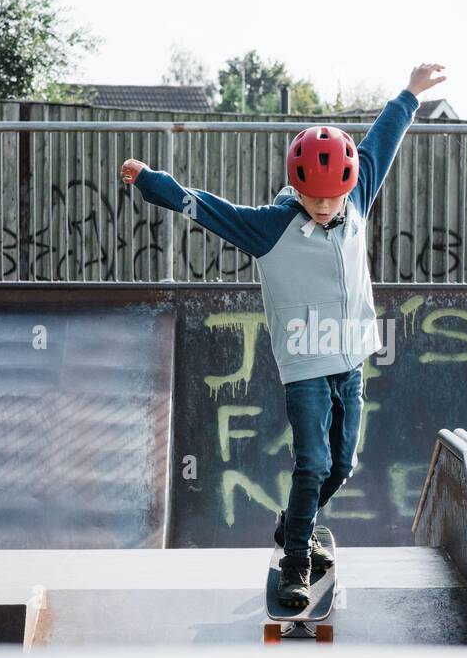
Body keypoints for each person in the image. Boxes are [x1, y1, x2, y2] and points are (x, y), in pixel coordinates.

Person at [120, 63, 446, 607]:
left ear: (347, 189)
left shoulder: (357, 196)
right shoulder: (271, 227)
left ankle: (296, 520)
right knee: (313, 463)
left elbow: (382, 142)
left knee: (344, 464)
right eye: (313, 198)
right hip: (304, 368)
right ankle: (297, 560)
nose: (324, 207)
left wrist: (411, 93)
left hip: (350, 363)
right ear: (297, 187)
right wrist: (149, 180)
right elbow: (204, 207)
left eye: (332, 199)